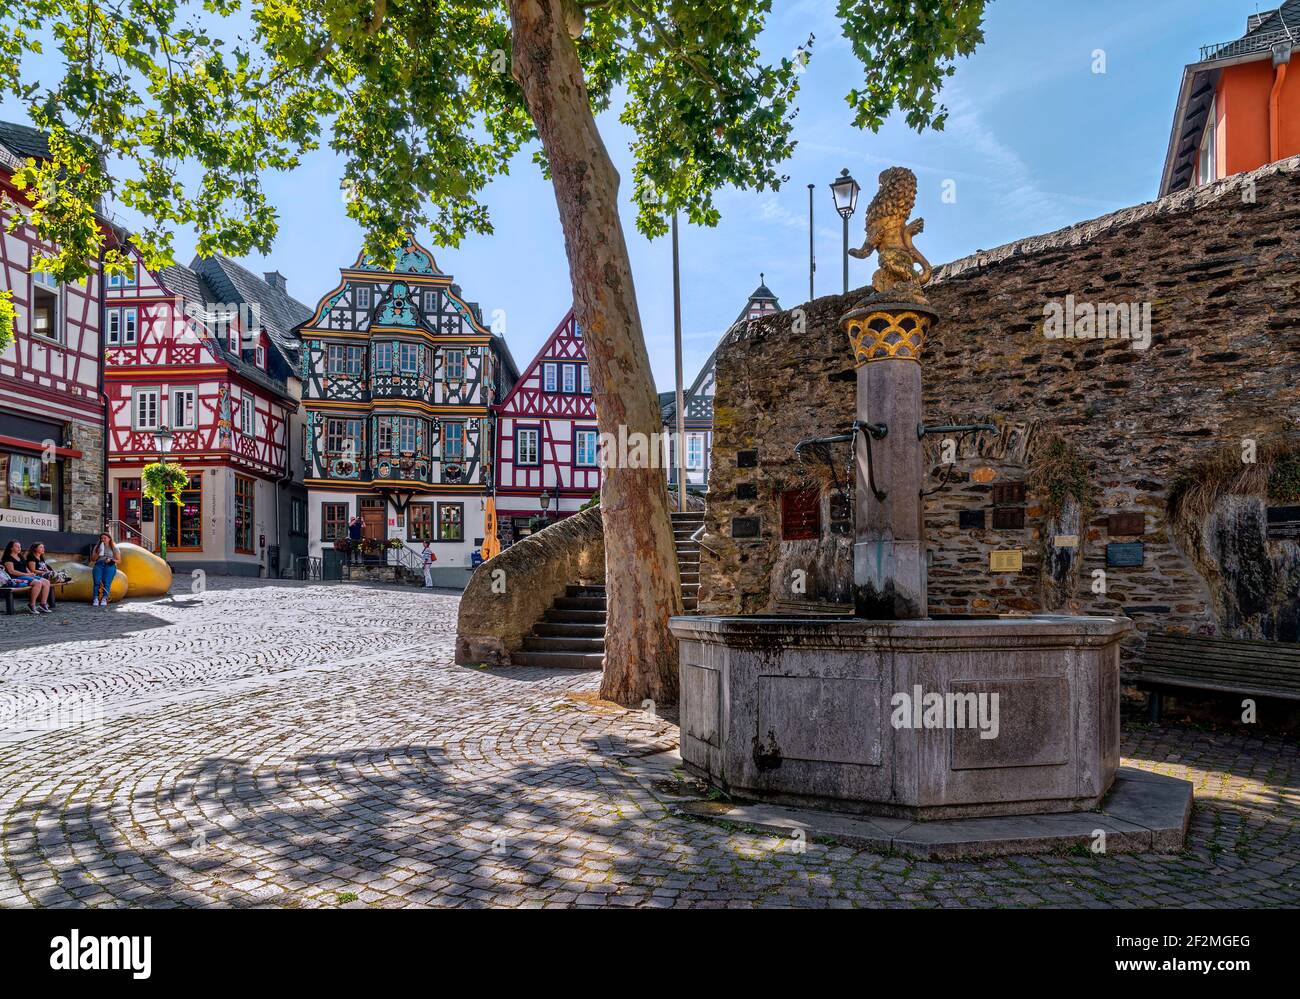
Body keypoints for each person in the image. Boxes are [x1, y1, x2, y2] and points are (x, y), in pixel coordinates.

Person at [2, 539, 51, 614]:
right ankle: (32, 605)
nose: (19, 548)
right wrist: (27, 574)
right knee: (37, 583)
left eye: (20, 547)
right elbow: (12, 571)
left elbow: (25, 567)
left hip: (26, 576)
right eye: (17, 546)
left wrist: (30, 573)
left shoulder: (20, 556)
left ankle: (43, 604)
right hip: (15, 578)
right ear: (11, 548)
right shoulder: (8, 557)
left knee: (46, 582)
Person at [90, 533, 121, 607]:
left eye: (105, 538)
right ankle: (96, 598)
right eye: (101, 538)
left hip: (109, 565)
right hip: (99, 564)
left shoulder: (114, 547)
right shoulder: (97, 547)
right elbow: (93, 559)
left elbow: (119, 560)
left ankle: (104, 598)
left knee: (107, 582)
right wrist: (98, 552)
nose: (103, 540)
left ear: (109, 539)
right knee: (97, 581)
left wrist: (110, 559)